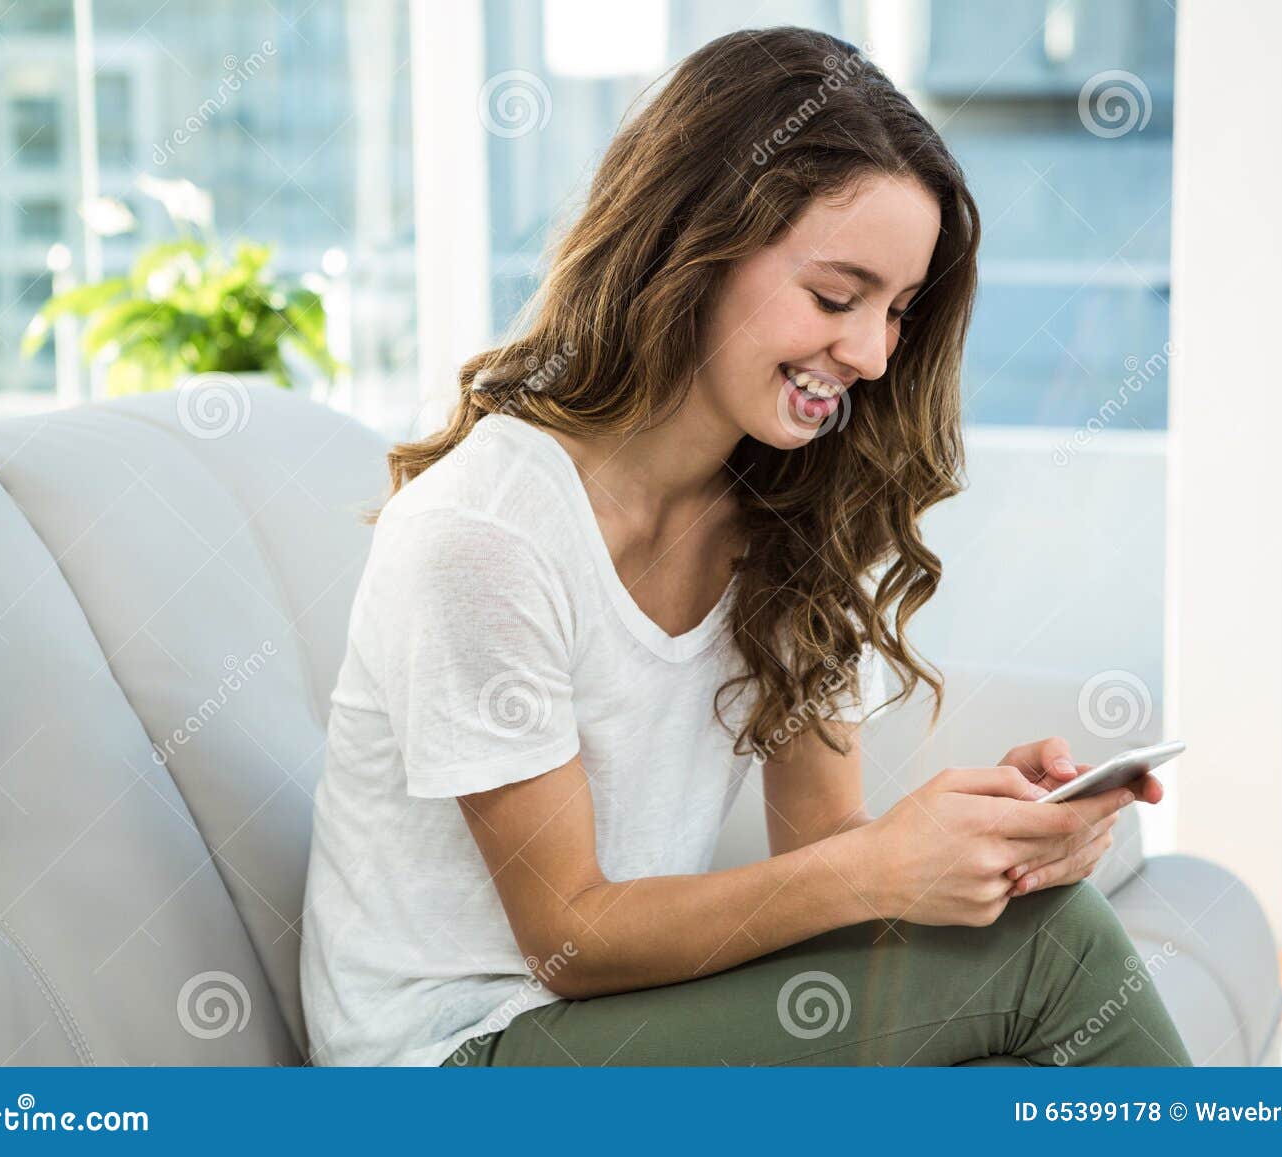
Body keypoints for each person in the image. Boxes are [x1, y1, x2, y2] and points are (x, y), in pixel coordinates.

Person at [299, 25, 1193, 1068]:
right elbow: (570, 936)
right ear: (692, 245)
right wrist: (887, 870)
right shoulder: (484, 534)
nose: (866, 353)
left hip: (625, 1023)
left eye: (897, 311)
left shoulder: (791, 514)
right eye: (834, 295)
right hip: (454, 1060)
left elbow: (819, 854)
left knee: (1019, 989)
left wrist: (977, 839)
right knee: (1054, 955)